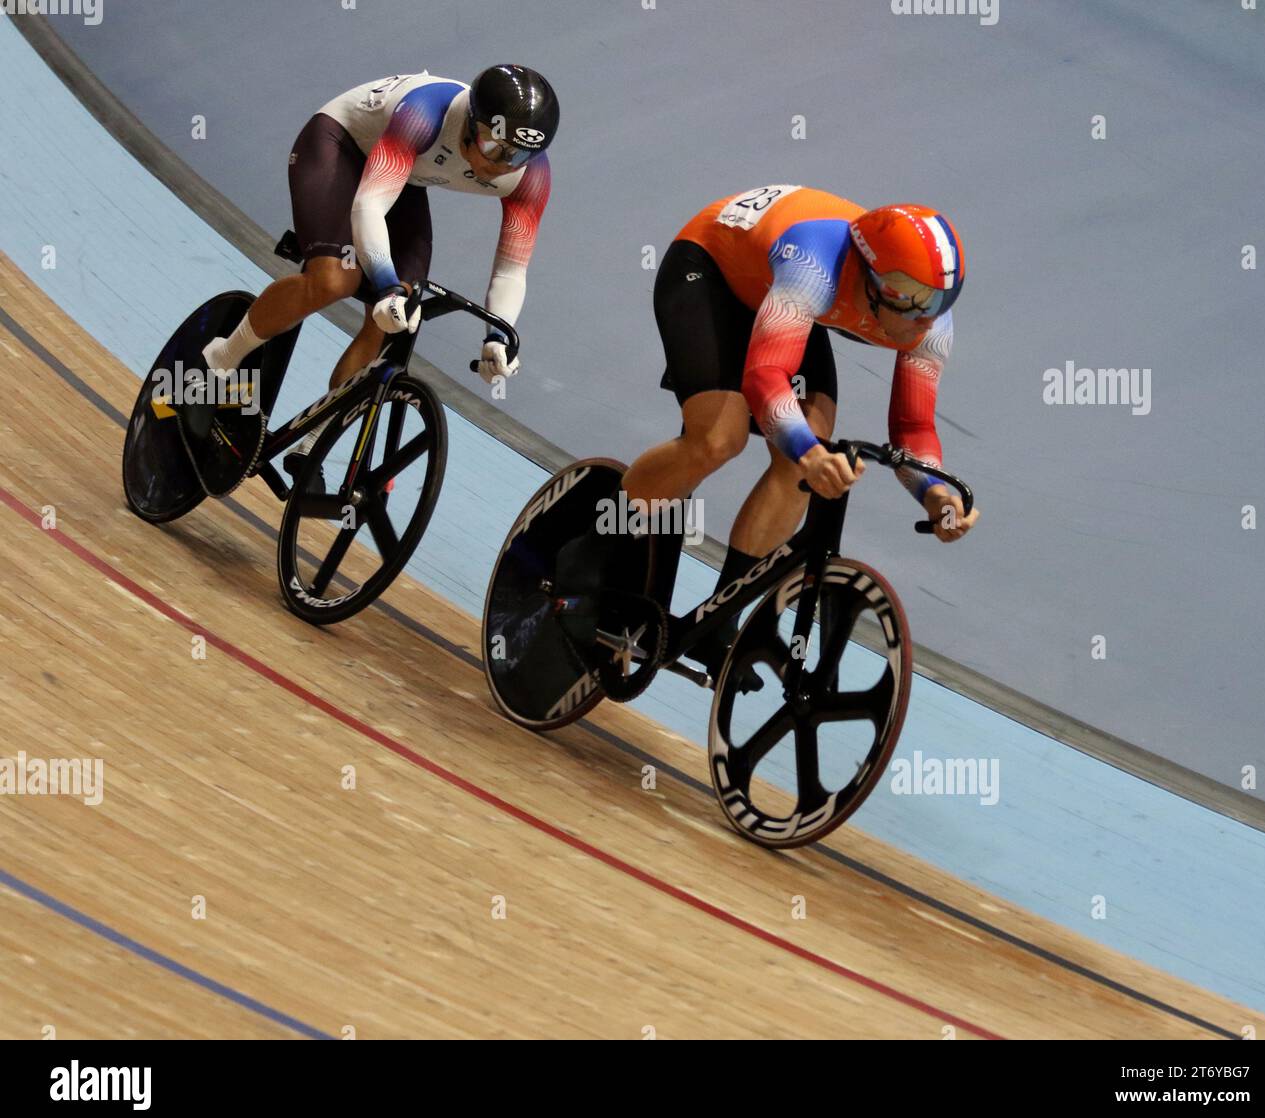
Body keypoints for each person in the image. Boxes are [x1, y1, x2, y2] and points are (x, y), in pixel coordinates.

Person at [619, 186, 981, 677]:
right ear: (872, 279)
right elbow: (764, 379)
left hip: (784, 300)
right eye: (910, 299)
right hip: (711, 271)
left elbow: (913, 427)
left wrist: (936, 495)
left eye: (938, 300)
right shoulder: (814, 263)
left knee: (799, 461)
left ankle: (720, 620)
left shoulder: (930, 322)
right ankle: (612, 545)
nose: (922, 316)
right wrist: (811, 454)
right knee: (717, 439)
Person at [198, 65, 558, 474]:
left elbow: (510, 271)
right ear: (470, 123)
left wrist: (498, 334)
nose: (501, 165)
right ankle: (221, 357)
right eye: (495, 150)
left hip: (407, 177)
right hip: (342, 142)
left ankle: (319, 434)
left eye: (518, 156)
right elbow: (368, 206)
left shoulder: (531, 176)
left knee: (398, 314)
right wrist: (383, 284)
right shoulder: (426, 113)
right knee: (336, 279)